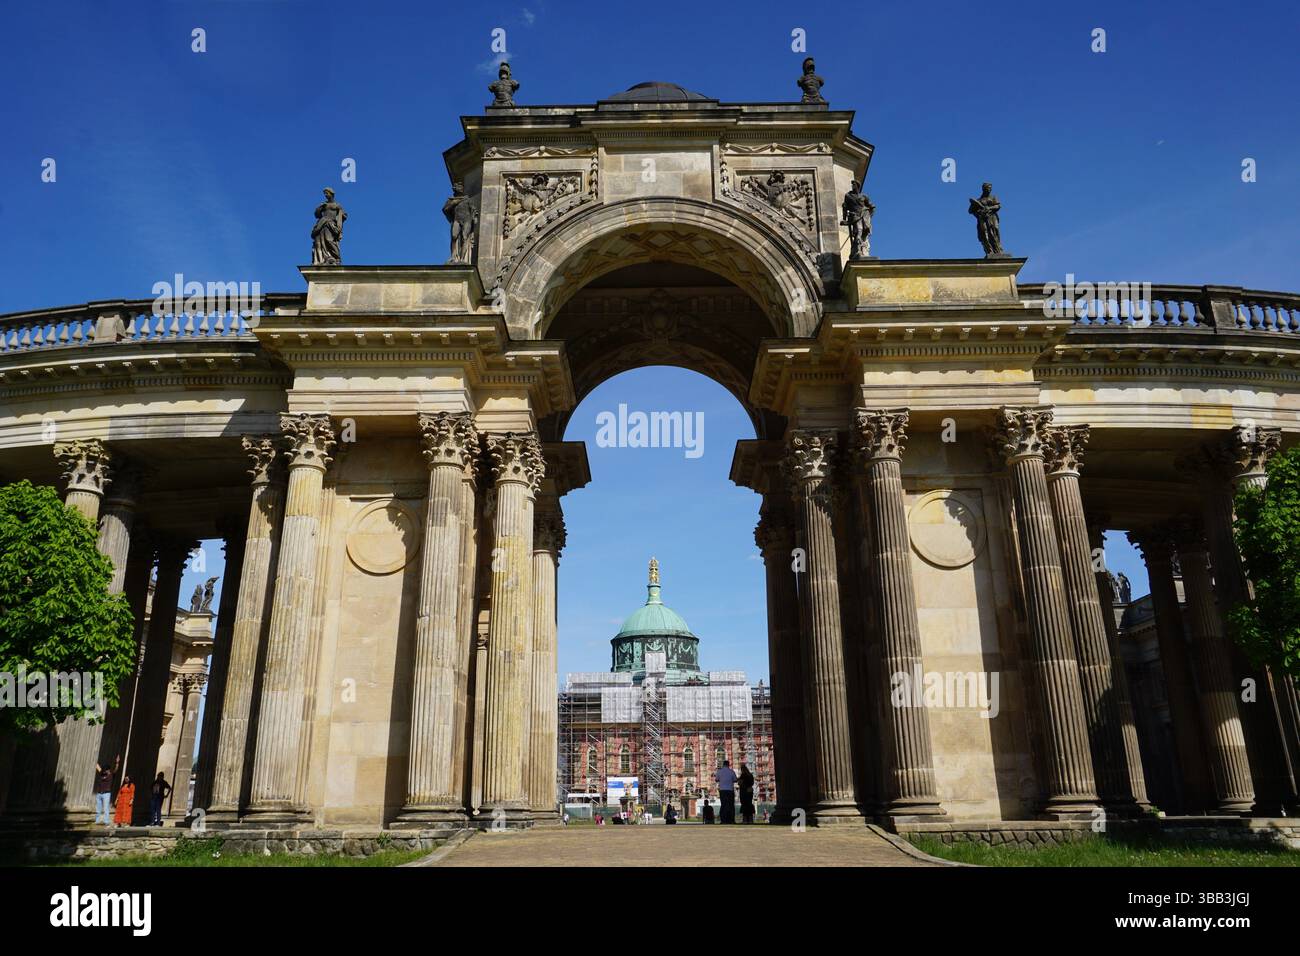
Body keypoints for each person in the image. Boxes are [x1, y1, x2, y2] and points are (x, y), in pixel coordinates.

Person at [92, 756, 119, 826]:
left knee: (106, 807)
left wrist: (117, 763)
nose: (104, 771)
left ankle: (106, 821)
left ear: (108, 770)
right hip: (99, 793)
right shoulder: (102, 773)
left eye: (105, 770)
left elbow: (116, 769)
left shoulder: (111, 775)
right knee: (98, 808)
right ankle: (97, 820)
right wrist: (93, 758)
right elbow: (97, 767)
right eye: (103, 770)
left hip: (106, 793)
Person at [715, 759, 738, 824]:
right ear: (728, 765)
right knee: (731, 805)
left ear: (723, 765)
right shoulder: (732, 771)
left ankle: (723, 820)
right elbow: (735, 780)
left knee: (723, 805)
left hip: (722, 791)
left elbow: (716, 779)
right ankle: (731, 820)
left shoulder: (719, 771)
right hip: (730, 790)